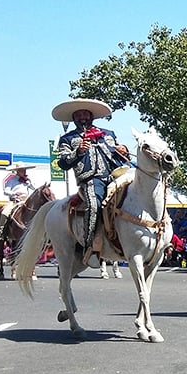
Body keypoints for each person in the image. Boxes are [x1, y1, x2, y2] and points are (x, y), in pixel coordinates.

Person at [53, 98, 129, 262]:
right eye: (78, 115)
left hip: (116, 175)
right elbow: (63, 162)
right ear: (74, 118)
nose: (82, 117)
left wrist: (124, 150)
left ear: (91, 116)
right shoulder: (67, 139)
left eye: (85, 114)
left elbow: (121, 155)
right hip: (91, 180)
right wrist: (78, 151)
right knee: (94, 206)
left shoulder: (108, 134)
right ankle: (90, 247)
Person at [0, 161, 37, 238]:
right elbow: (6, 191)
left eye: (25, 170)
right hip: (15, 201)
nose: (24, 171)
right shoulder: (11, 180)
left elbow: (34, 189)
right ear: (18, 171)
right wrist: (14, 194)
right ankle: (1, 231)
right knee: (4, 213)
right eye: (22, 170)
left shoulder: (27, 180)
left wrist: (30, 183)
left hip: (26, 200)